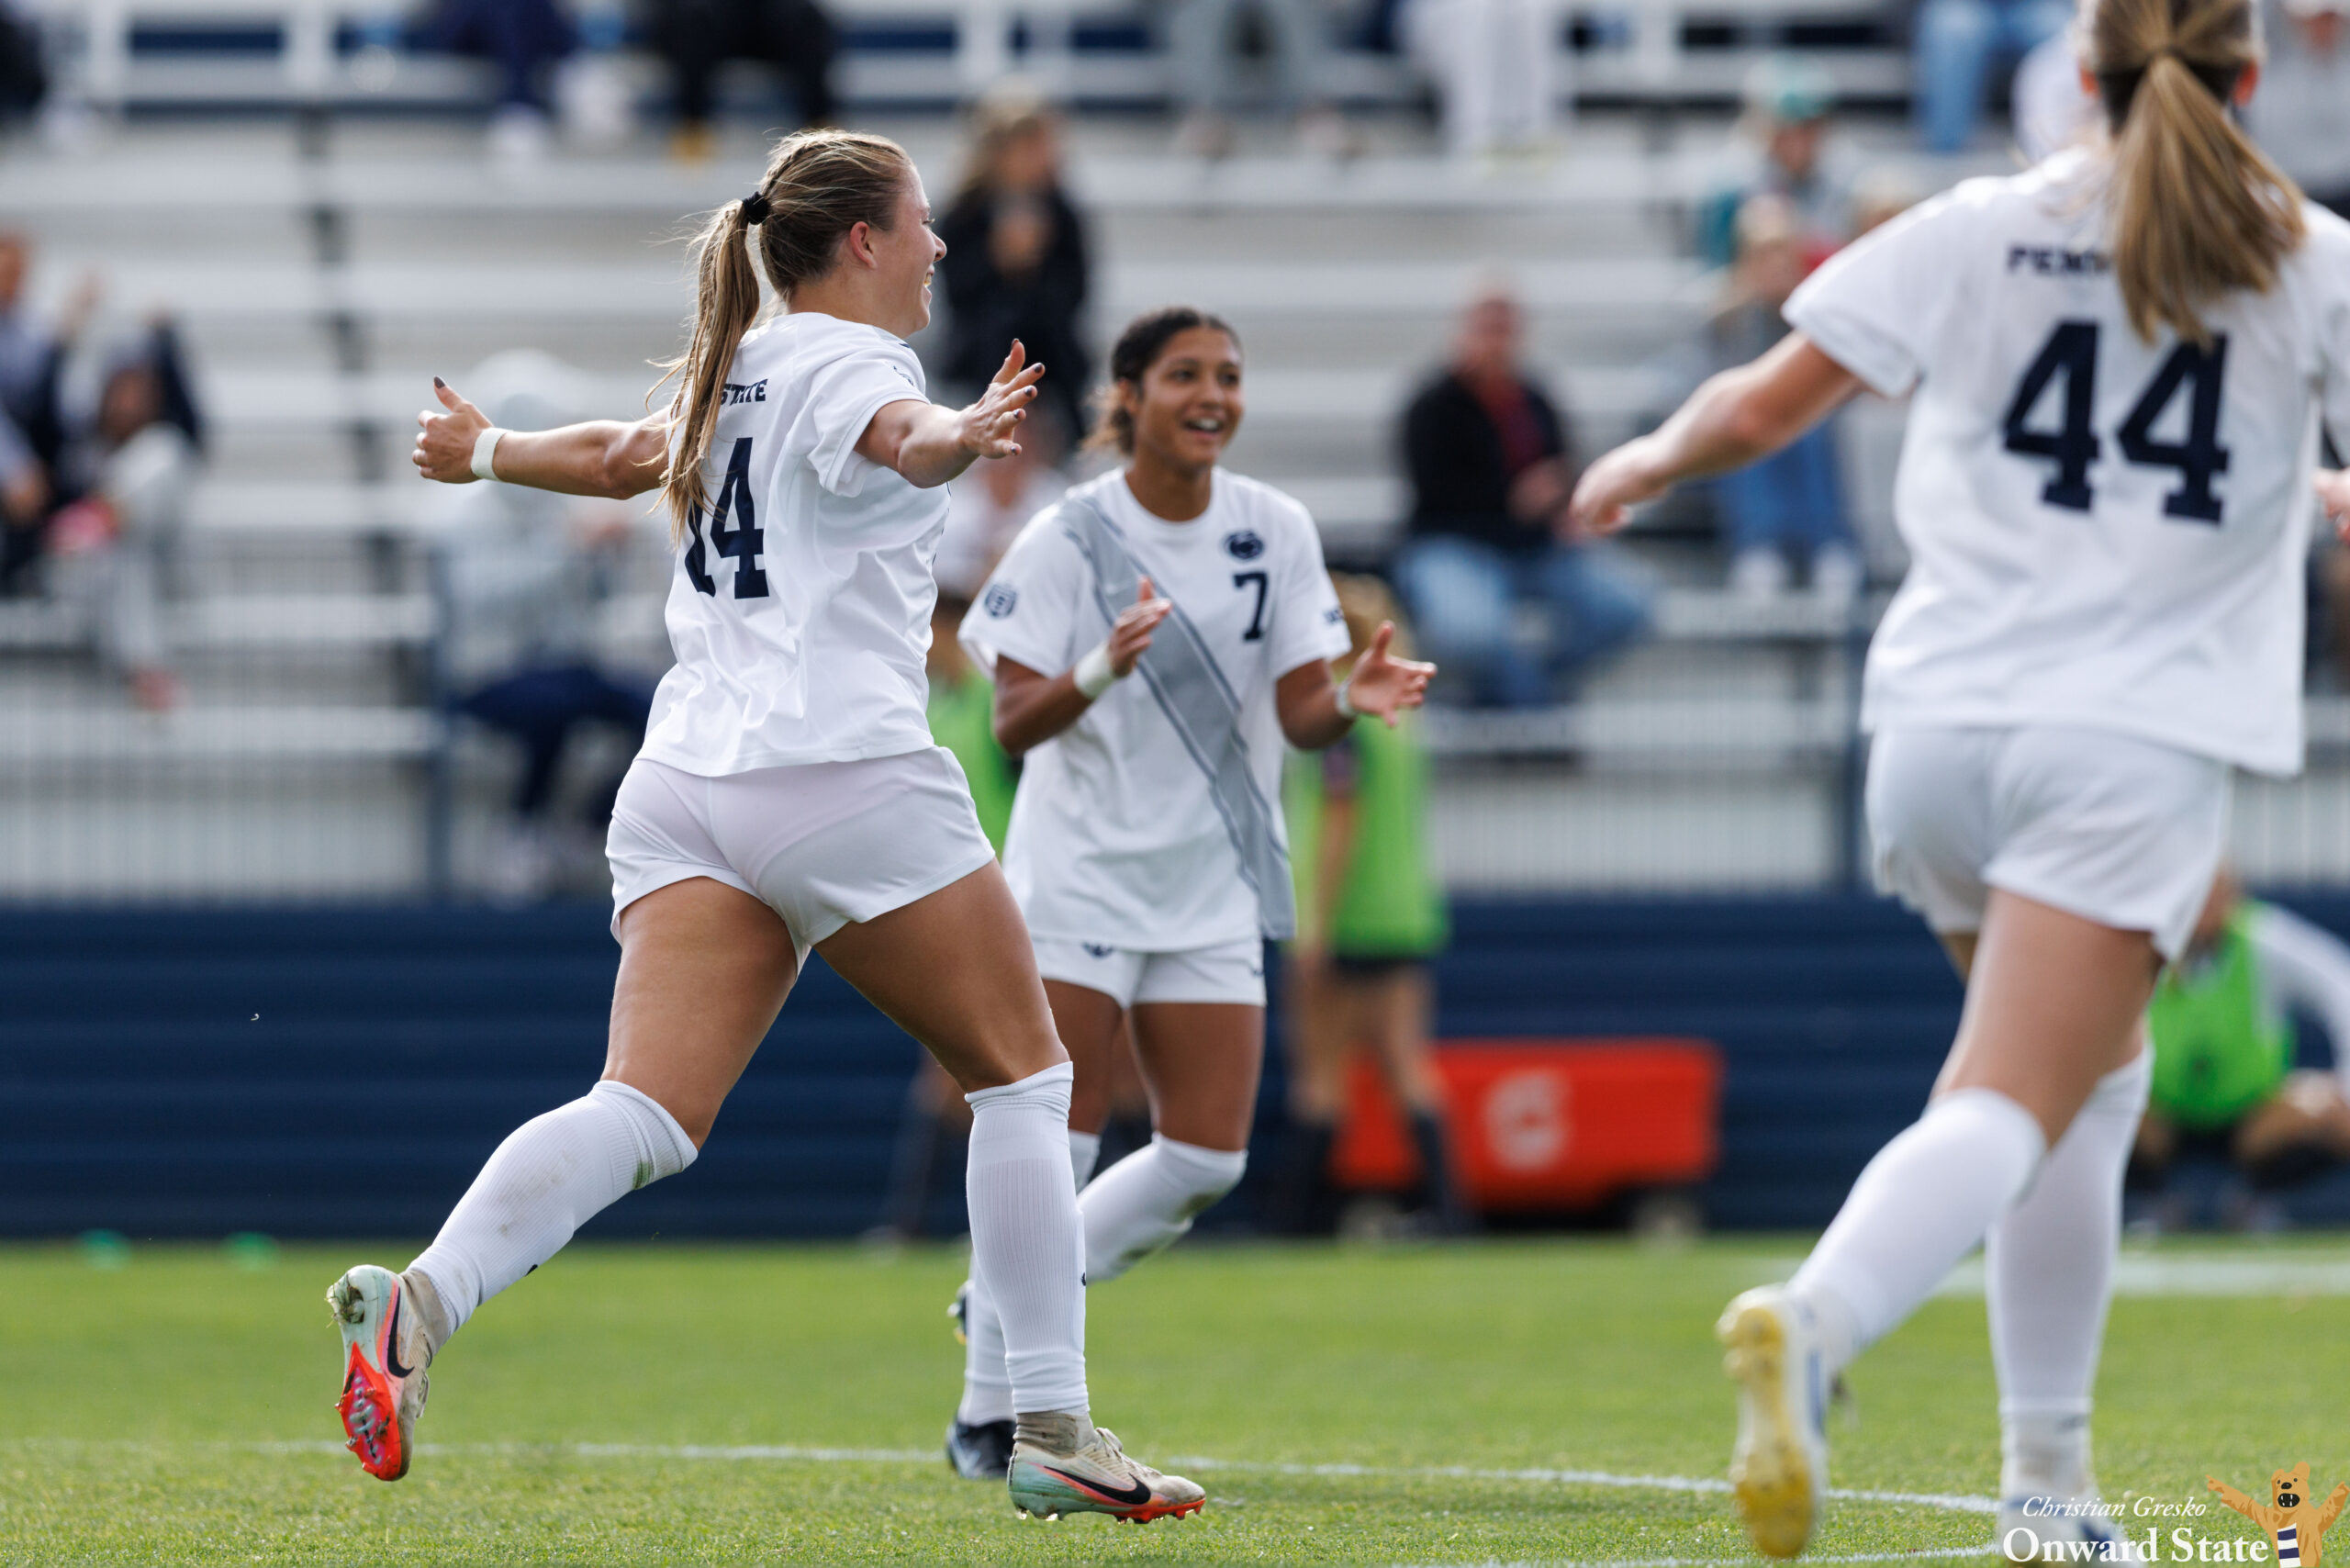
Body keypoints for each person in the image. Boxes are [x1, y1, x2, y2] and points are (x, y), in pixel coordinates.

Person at [331, 128, 1205, 1525]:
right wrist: (954, 439)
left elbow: (627, 455)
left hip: (687, 783)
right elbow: (894, 436)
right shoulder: (853, 359)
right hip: (840, 772)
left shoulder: (730, 358)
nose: (936, 247)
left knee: (646, 1111)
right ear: (860, 240)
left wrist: (486, 448)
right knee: (1028, 1080)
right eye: (920, 222)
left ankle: (423, 1300)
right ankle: (1048, 1427)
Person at [1566, 0, 2350, 1548]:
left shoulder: (1981, 220)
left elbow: (1765, 401)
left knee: (2087, 1082)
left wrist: (1649, 458)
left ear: (2083, 67)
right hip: (2123, 739)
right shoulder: (2311, 252)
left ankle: (2046, 1489)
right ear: (2255, 73)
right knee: (2014, 1098)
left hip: (1930, 723)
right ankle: (1818, 1319)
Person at [943, 305, 1434, 1480]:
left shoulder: (1277, 527)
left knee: (1206, 1159)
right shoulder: (1070, 535)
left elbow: (1301, 712)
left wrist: (1352, 698)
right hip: (1080, 875)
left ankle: (1000, 1295)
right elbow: (1012, 719)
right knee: (1051, 1145)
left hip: (1216, 876)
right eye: (1184, 375)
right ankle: (988, 1408)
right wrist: (1107, 659)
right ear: (1130, 395)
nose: (1212, 394)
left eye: (1227, 375)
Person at [1272, 573, 1463, 1238]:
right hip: (1403, 913)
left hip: (1348, 916)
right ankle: (1449, 1213)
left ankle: (1300, 1224)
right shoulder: (1399, 719)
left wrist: (1315, 929)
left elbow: (1340, 822)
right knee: (1407, 1066)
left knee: (1318, 1076)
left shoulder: (1343, 713)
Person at [427, 351, 657, 902]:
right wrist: (568, 550)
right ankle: (522, 833)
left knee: (657, 709)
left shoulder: (555, 506)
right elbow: (480, 605)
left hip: (564, 667)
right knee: (551, 707)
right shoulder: (460, 512)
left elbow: (588, 605)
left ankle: (586, 829)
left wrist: (605, 557)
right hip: (483, 674)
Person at [1395, 284, 1651, 709]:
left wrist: (1565, 506)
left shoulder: (1534, 398)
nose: (1496, 341)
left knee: (1629, 608)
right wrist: (1514, 500)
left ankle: (1522, 697)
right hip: (1454, 546)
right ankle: (1532, 707)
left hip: (1537, 547)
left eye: (1504, 329)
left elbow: (1563, 468)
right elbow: (1435, 494)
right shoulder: (1432, 405)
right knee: (1469, 631)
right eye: (1486, 328)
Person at [2133, 869, 2350, 1221]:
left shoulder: (2264, 940)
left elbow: (2341, 987)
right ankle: (2156, 1203)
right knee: (2089, 1111)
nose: (2206, 907)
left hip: (2253, 1119)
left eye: (2217, 894)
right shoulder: (2142, 945)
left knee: (2331, 1114)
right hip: (2162, 1115)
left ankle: (2255, 1200)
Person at [1709, 196, 1860, 601]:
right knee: (1749, 428)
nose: (1773, 266)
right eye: (1762, 255)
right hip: (1741, 438)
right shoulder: (1724, 319)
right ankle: (1760, 551)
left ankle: (1829, 549)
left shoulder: (1815, 312)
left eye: (1781, 254)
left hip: (1806, 430)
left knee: (1807, 430)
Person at [44, 339, 203, 711]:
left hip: (159, 578)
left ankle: (145, 668)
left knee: (127, 547)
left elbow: (198, 423)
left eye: (139, 392)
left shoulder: (166, 450)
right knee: (116, 550)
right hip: (80, 582)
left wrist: (168, 333)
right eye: (121, 390)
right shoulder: (83, 453)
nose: (128, 402)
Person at [935, 89, 1092, 445]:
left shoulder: (1062, 212)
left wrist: (1031, 268)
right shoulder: (964, 213)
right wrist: (1000, 260)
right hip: (978, 359)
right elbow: (955, 294)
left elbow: (1078, 291)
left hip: (1053, 361)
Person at [1693, 56, 1858, 271]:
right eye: (1784, 130)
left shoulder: (1851, 183)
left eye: (1807, 128)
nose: (1796, 143)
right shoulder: (1730, 191)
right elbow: (1713, 278)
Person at [641, 0, 838, 163]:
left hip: (757, 16)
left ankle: (820, 135)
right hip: (701, 18)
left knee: (805, 18)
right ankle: (692, 128)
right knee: (694, 19)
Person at [1914, 0, 2070, 152]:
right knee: (1954, 29)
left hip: (2037, 5)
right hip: (1966, 4)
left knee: (2064, 33)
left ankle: (2060, 157)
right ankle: (1946, 154)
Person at [2244, 0, 2350, 220]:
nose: (2321, 26)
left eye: (2329, 17)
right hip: (2285, 193)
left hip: (2343, 193)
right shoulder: (2270, 51)